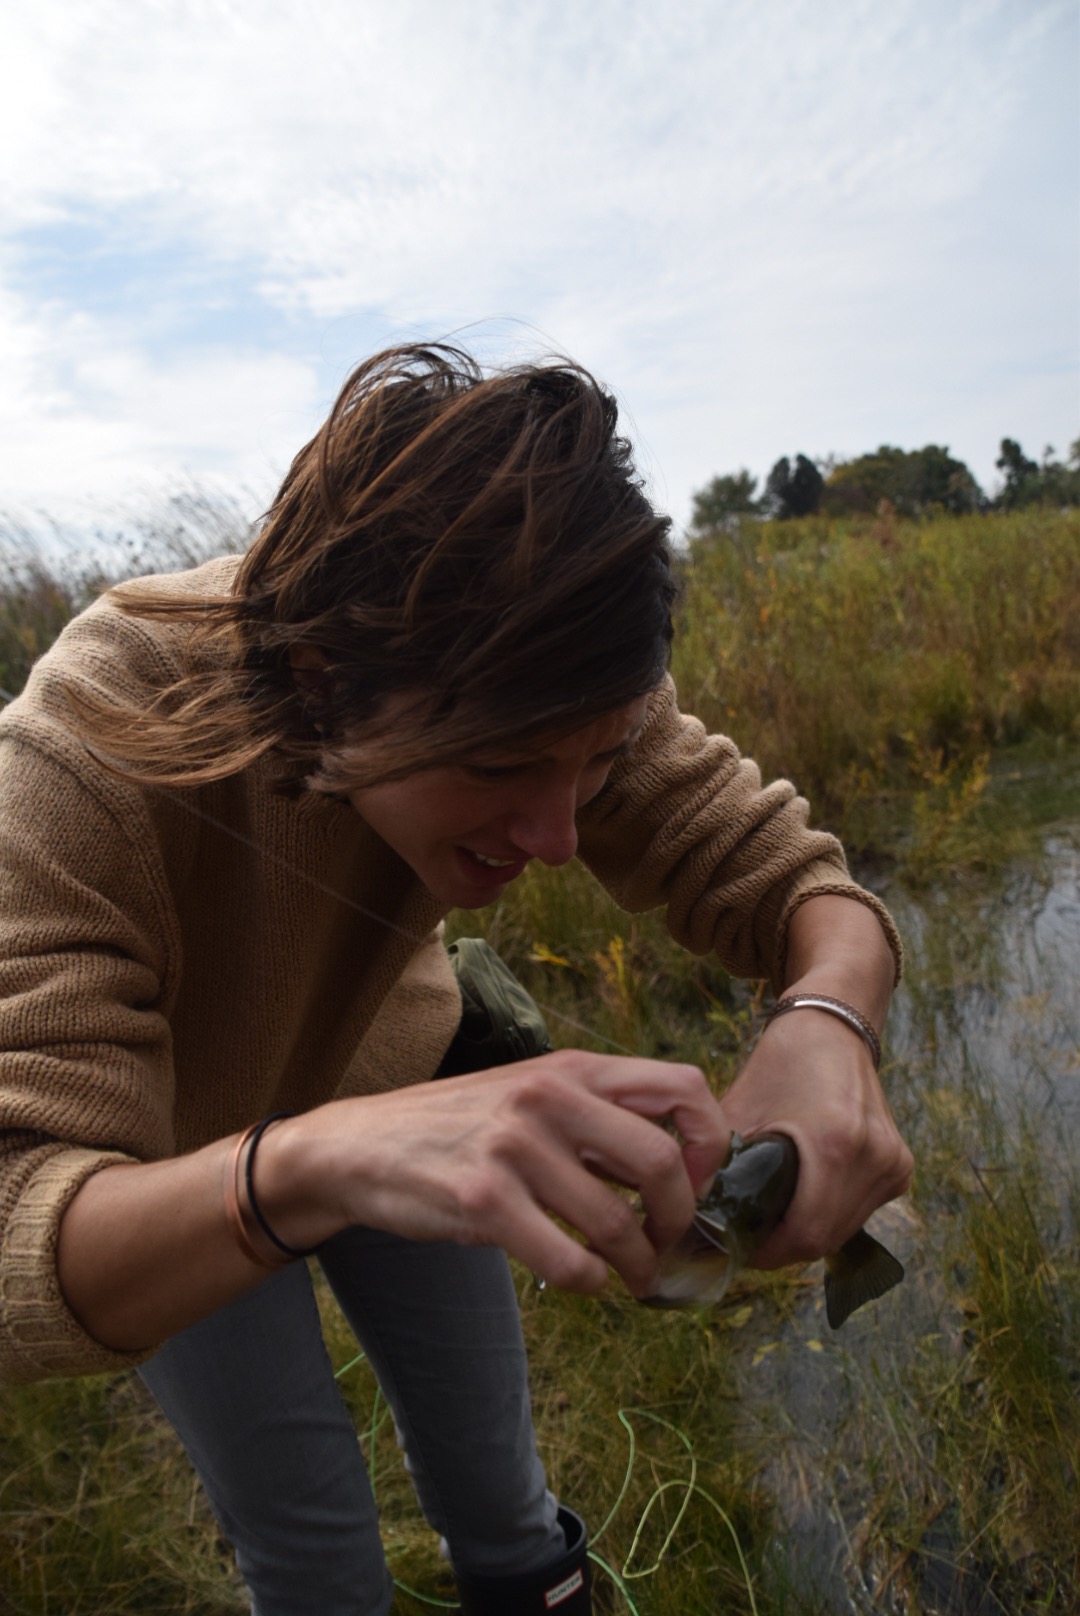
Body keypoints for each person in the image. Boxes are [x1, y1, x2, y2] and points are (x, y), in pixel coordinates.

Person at [0, 343, 911, 1615]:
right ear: (323, 686)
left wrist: (827, 1014)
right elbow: (20, 1228)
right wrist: (310, 1160)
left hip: (420, 1092)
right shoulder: (76, 759)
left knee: (501, 1496)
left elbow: (792, 878)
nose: (554, 838)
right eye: (500, 768)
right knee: (314, 1549)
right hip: (181, 1184)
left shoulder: (555, 689)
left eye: (592, 770)